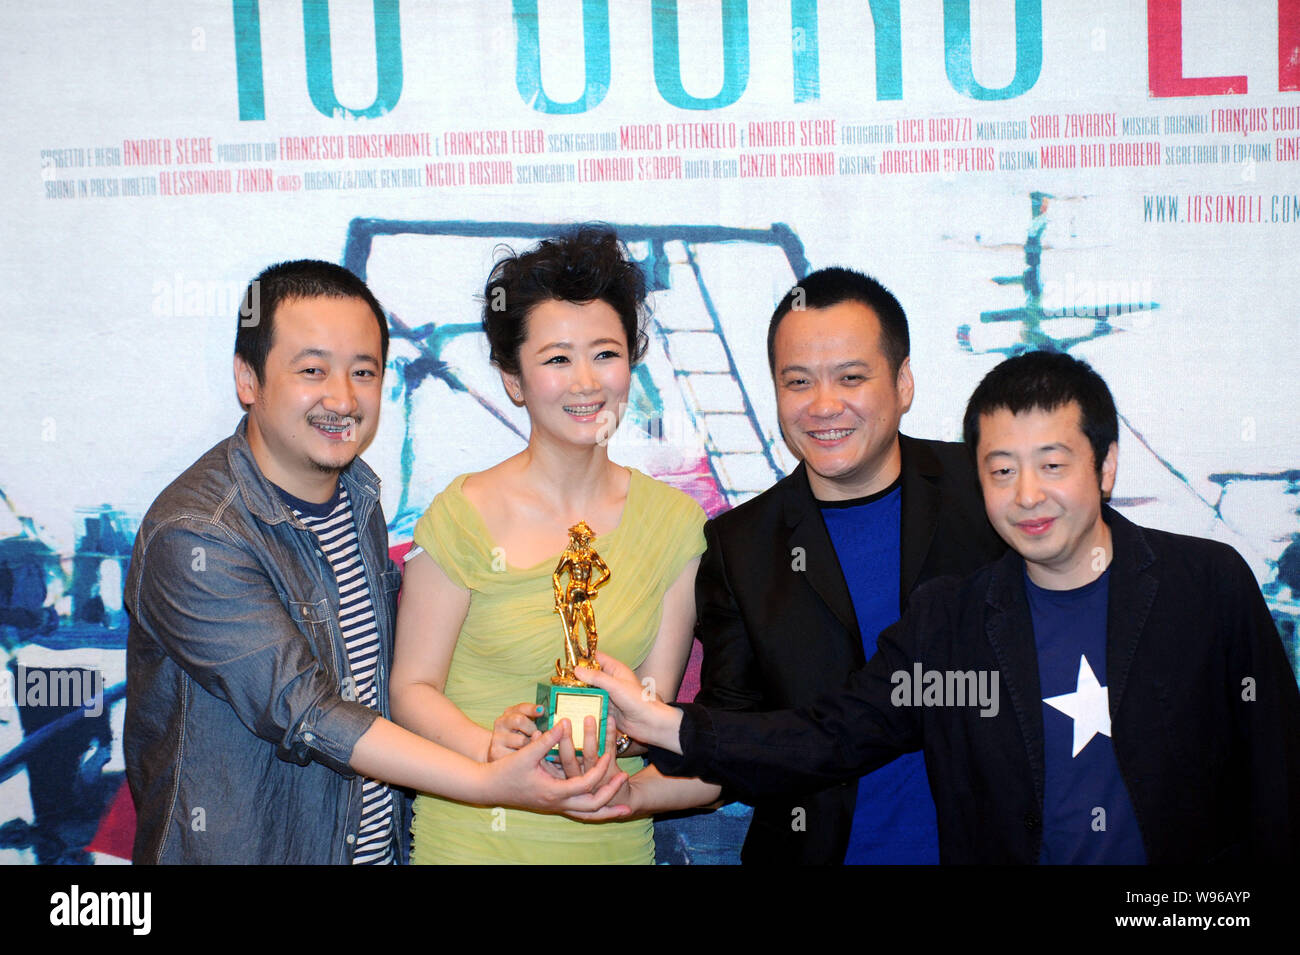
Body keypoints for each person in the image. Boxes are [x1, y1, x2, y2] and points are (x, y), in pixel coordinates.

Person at [580, 351, 1300, 863]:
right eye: (1001, 469)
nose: (1026, 495)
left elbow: (1279, 774)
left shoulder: (1206, 585)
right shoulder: (952, 622)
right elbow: (824, 736)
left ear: (1105, 466)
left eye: (1054, 464)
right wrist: (665, 723)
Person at [124, 259, 621, 865]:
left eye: (364, 372)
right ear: (248, 379)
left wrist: (491, 742)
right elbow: (303, 710)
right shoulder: (196, 534)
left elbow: (382, 685)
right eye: (312, 370)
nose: (343, 397)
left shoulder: (358, 496)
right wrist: (487, 781)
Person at [391, 228, 705, 864]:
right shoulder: (462, 514)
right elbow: (411, 689)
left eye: (606, 354)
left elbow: (654, 707)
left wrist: (621, 735)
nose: (586, 382)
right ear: (514, 378)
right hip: (475, 841)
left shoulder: (676, 525)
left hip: (607, 837)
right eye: (558, 358)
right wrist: (489, 747)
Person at [691, 267, 1004, 863]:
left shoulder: (991, 492)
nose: (823, 405)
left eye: (851, 377)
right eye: (798, 381)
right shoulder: (740, 544)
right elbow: (732, 736)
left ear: (903, 383)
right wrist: (618, 768)